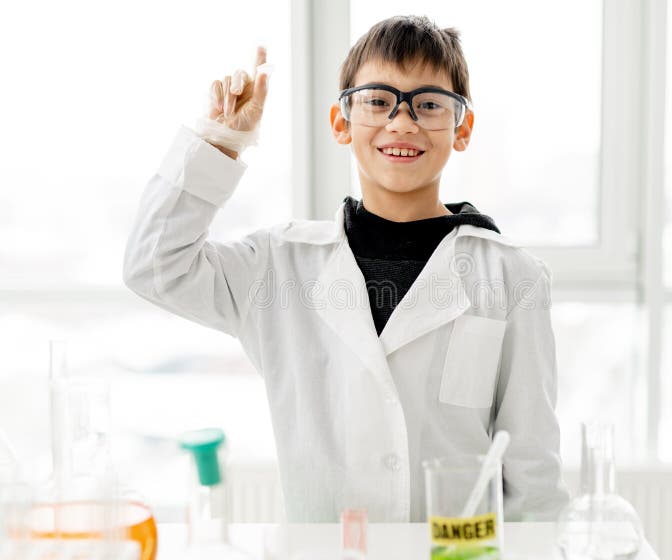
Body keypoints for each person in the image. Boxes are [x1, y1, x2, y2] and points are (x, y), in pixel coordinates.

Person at [123, 15, 569, 522]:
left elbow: (535, 484)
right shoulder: (279, 266)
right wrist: (220, 143)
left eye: (428, 104)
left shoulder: (514, 279)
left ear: (461, 127)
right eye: (378, 101)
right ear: (341, 122)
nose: (402, 122)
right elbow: (153, 265)